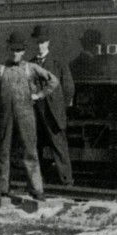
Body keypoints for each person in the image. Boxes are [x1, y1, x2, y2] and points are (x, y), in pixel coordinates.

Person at [0, 31, 60, 200]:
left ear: (23, 51)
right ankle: (3, 189)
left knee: (30, 152)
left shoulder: (31, 68)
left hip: (26, 116)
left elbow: (53, 81)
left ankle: (37, 190)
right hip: (4, 116)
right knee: (3, 152)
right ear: (8, 49)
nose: (16, 53)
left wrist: (39, 95)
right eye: (13, 50)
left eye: (19, 50)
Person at [28, 25, 75, 186]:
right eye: (38, 42)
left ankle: (66, 180)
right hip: (35, 111)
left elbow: (68, 86)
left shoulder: (58, 61)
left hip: (53, 110)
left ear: (48, 43)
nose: (40, 45)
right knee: (36, 147)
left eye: (43, 42)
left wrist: (62, 106)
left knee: (59, 146)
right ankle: (38, 180)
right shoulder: (31, 63)